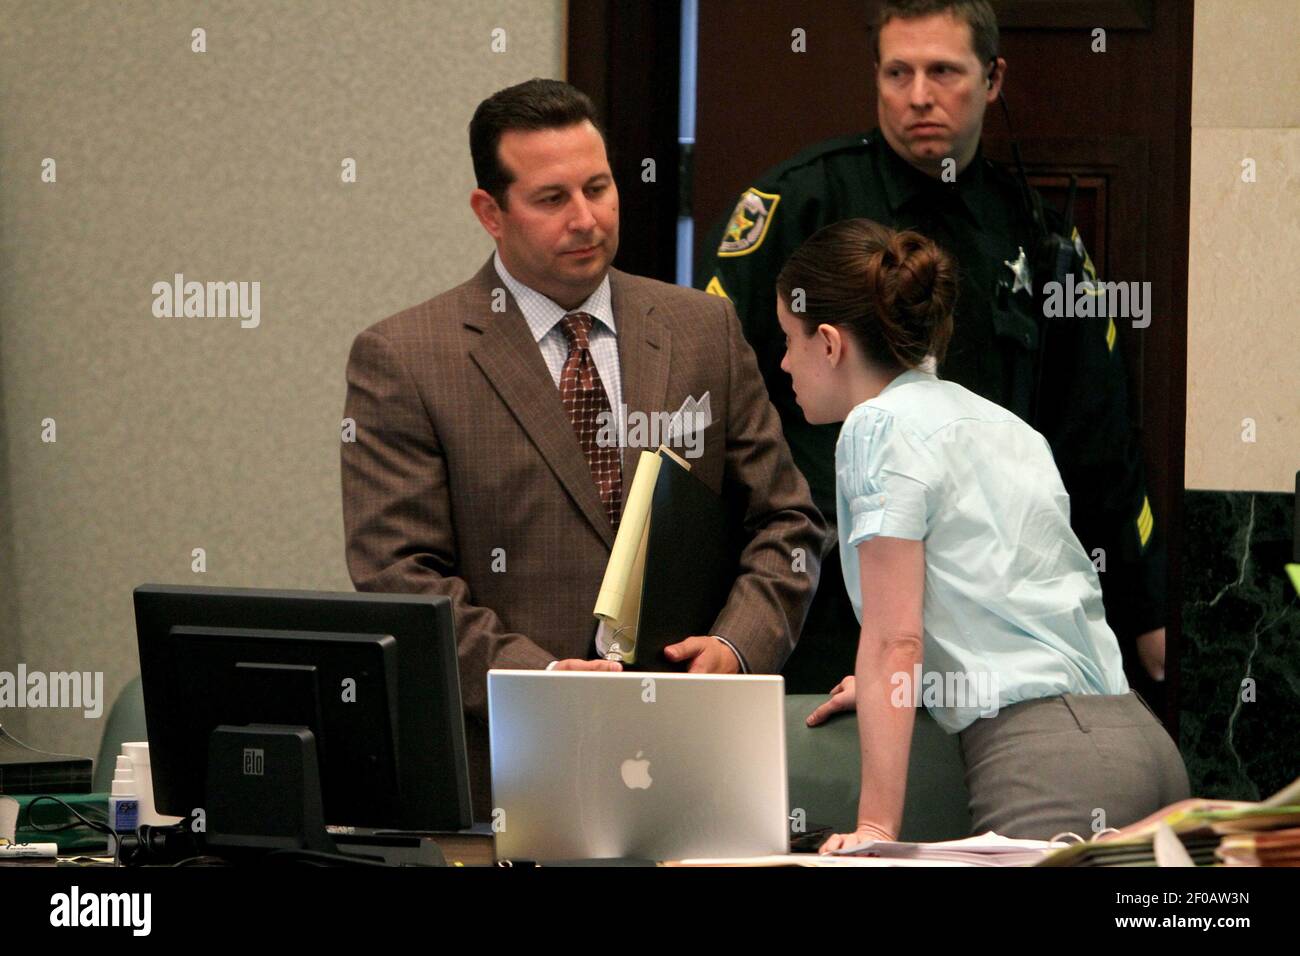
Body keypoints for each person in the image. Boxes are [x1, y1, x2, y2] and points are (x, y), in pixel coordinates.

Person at [340, 78, 824, 821]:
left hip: (694, 755)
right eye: (552, 198)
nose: (586, 219)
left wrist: (736, 645)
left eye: (599, 188)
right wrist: (543, 679)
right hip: (504, 770)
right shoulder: (406, 358)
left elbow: (787, 524)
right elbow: (400, 576)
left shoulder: (703, 331)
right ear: (489, 213)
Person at [697, 0, 1167, 701]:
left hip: (986, 604)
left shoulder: (1037, 236)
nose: (919, 95)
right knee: (828, 792)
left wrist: (1144, 606)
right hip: (827, 587)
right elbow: (709, 395)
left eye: (944, 71)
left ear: (993, 78)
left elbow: (1095, 434)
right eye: (898, 72)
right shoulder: (801, 205)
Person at [771, 218, 1188, 847]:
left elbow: (894, 639)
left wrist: (874, 827)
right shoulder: (1006, 424)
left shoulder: (874, 426)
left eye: (788, 339)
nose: (782, 362)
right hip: (1143, 741)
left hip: (1047, 765)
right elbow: (1003, 598)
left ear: (829, 343)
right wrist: (916, 686)